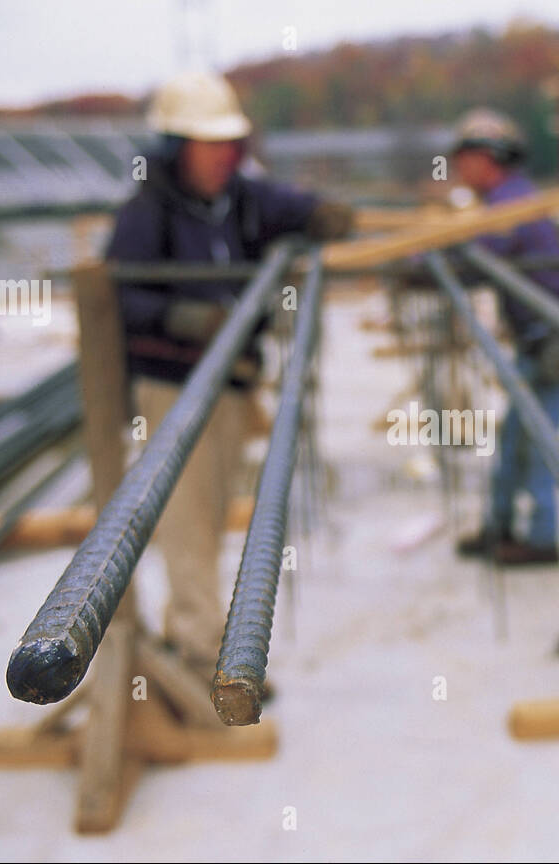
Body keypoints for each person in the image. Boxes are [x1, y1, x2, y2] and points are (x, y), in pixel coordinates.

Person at [105, 71, 353, 673]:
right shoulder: (148, 211)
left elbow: (298, 209)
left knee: (212, 513)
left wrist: (324, 217)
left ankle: (191, 629)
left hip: (233, 381)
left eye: (228, 145)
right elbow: (120, 295)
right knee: (187, 518)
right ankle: (199, 649)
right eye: (208, 144)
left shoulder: (242, 198)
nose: (223, 156)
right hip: (175, 386)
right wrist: (183, 316)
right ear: (173, 146)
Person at [449, 109, 559, 566]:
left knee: (539, 441)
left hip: (548, 342)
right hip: (535, 339)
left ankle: (542, 539)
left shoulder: (512, 204)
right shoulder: (506, 200)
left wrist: (429, 257)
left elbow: (476, 258)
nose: (460, 170)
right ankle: (500, 525)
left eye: (465, 159)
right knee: (515, 438)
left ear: (489, 159)